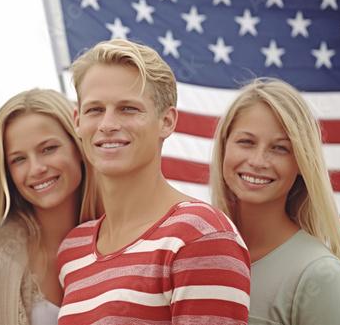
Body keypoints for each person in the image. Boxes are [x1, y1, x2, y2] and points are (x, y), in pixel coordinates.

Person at [55, 39, 251, 324]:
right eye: (95, 109)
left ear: (167, 121)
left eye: (128, 109)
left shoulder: (200, 235)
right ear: (78, 121)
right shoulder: (73, 249)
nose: (107, 124)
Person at [0, 89, 100, 325]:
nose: (36, 169)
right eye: (18, 159)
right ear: (8, 172)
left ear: (79, 147)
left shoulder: (126, 237)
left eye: (48, 148)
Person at [210, 78, 340, 324]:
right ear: (224, 147)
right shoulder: (196, 254)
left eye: (280, 148)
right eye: (246, 142)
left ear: (301, 162)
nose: (258, 161)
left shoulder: (320, 276)